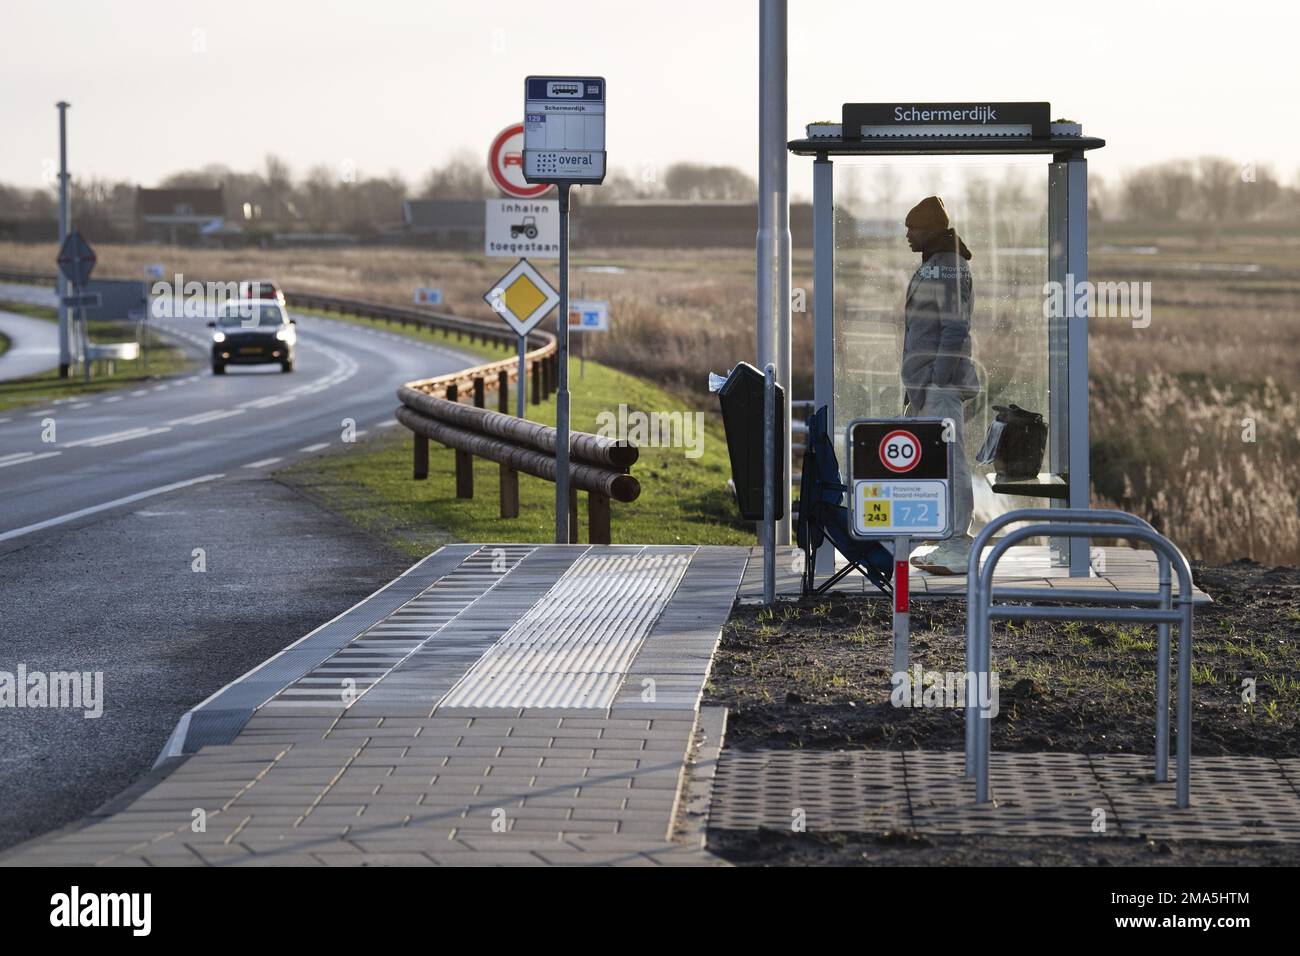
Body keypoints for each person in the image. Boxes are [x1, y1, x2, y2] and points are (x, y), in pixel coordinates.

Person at [899, 196, 980, 574]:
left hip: (939, 387)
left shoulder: (947, 266)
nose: (908, 235)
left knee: (952, 461)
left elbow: (955, 327)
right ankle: (948, 538)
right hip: (928, 385)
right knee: (940, 462)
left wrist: (936, 381)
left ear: (931, 229)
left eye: (913, 228)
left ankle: (959, 543)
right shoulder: (938, 263)